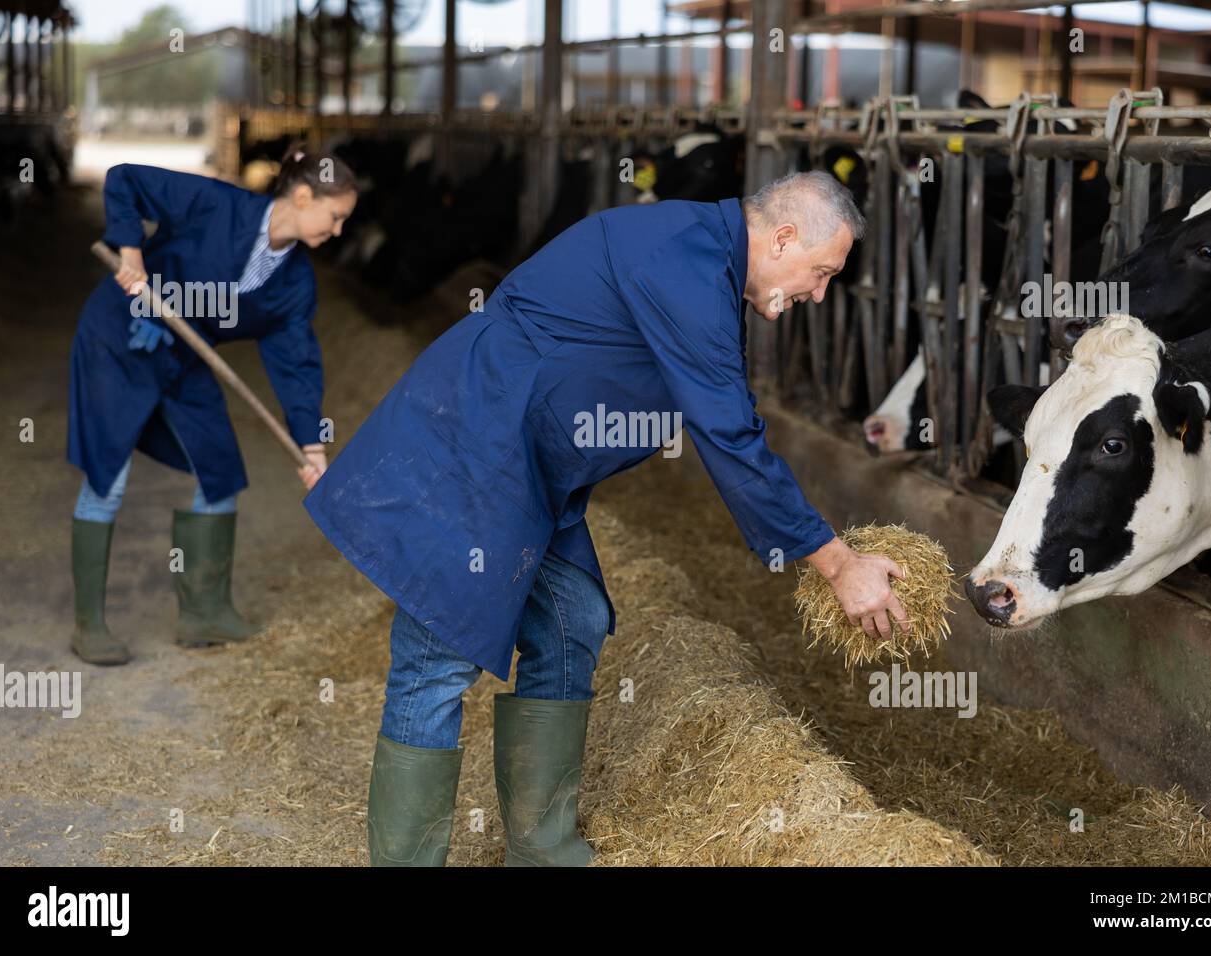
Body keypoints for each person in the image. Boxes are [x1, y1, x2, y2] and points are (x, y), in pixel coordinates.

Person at [304, 170, 910, 867]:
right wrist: (836, 562)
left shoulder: (702, 258)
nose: (819, 292)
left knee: (573, 622)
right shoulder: (684, 261)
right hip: (478, 450)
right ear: (781, 238)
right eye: (822, 271)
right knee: (436, 661)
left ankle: (543, 847)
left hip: (534, 471)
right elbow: (727, 432)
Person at [67, 145, 358, 666]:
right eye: (335, 217)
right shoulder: (215, 204)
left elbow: (297, 363)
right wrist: (131, 254)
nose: (337, 232)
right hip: (118, 338)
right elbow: (125, 178)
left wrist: (311, 446)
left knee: (219, 467)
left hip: (184, 351)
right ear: (302, 195)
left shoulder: (294, 283)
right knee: (107, 468)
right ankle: (90, 624)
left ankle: (204, 613)